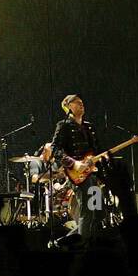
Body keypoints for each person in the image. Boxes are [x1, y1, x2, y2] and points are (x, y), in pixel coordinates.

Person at [50, 94, 105, 240]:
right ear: (68, 106)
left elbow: (96, 149)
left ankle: (64, 241)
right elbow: (55, 149)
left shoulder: (89, 126)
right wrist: (74, 163)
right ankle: (82, 248)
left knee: (98, 213)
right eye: (77, 102)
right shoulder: (64, 125)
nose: (82, 104)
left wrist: (101, 167)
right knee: (87, 212)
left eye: (82, 102)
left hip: (92, 174)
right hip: (78, 176)